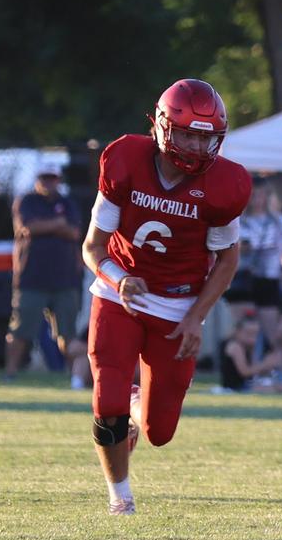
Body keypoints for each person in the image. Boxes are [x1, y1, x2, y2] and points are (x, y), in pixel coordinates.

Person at [81, 79, 252, 515]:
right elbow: (93, 247)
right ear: (160, 126)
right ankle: (120, 497)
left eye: (205, 136)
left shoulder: (224, 184)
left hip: (179, 306)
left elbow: (226, 261)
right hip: (122, 294)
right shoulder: (125, 161)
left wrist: (196, 318)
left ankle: (137, 409)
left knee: (159, 431)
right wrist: (119, 279)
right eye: (187, 133)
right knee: (108, 394)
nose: (196, 146)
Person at [7, 167, 85, 380]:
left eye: (52, 179)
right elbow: (29, 227)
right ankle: (10, 373)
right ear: (37, 180)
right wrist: (58, 224)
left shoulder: (68, 202)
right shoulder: (26, 201)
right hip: (31, 278)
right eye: (44, 178)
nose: (48, 183)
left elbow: (75, 232)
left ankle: (74, 376)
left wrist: (48, 226)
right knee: (21, 330)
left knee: (66, 333)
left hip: (64, 279)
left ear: (58, 180)